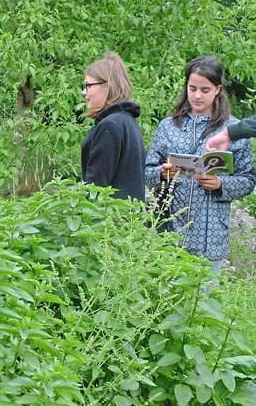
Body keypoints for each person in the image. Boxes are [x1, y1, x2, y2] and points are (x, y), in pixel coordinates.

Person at [145, 56, 255, 272]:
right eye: (192, 88)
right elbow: (146, 171)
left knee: (203, 301)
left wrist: (220, 185)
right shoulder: (168, 127)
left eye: (205, 90)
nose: (197, 95)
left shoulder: (234, 129)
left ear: (217, 89)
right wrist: (162, 173)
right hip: (169, 232)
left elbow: (248, 179)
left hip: (210, 236)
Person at [80, 52, 146, 201]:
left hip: (109, 220)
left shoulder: (110, 126)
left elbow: (95, 188)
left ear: (107, 86)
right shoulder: (127, 121)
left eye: (88, 85)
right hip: (129, 219)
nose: (84, 92)